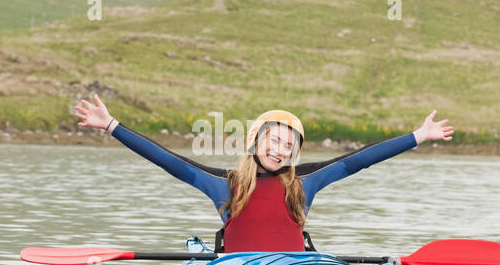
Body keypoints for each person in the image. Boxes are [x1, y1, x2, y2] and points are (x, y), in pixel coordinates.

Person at [72, 96, 453, 252]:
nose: (280, 150)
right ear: (255, 141)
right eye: (274, 141)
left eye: (290, 146)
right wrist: (111, 126)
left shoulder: (305, 183)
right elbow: (165, 158)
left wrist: (419, 136)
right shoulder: (224, 185)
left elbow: (361, 159)